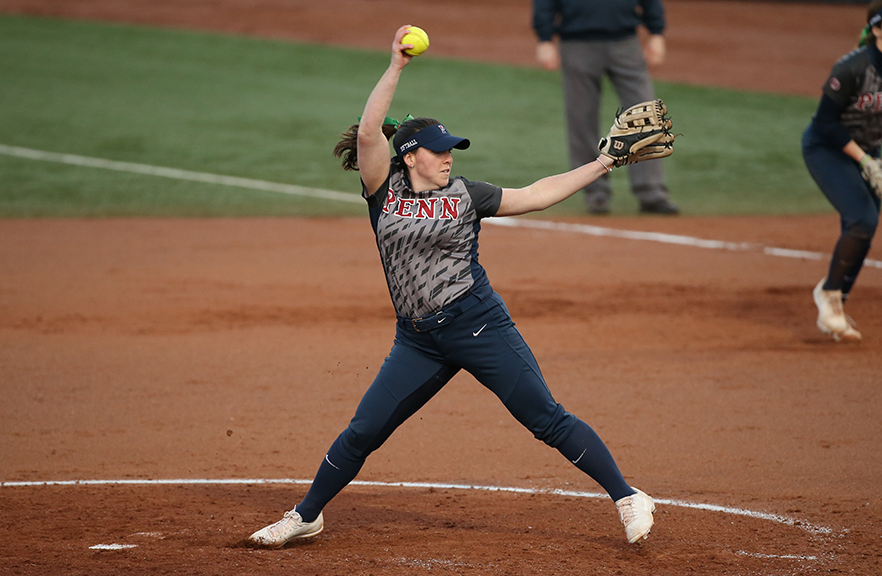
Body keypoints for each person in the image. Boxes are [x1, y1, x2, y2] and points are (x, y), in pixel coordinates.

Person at [247, 25, 656, 549]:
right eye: (439, 151)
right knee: (364, 430)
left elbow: (534, 195)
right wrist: (396, 64)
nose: (449, 157)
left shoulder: (467, 194)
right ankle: (306, 515)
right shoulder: (382, 191)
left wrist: (604, 161)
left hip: (478, 324)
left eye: (451, 150)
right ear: (411, 156)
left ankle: (627, 496)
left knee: (543, 418)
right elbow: (370, 133)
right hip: (417, 340)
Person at [802, 0, 882, 343]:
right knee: (862, 220)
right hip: (827, 149)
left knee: (864, 232)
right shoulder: (851, 68)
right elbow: (825, 125)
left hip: (866, 150)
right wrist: (866, 162)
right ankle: (828, 295)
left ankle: (835, 309)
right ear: (877, 28)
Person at [533, 0, 678, 215]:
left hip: (626, 41)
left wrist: (657, 32)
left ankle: (652, 192)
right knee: (582, 119)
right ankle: (595, 192)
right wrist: (544, 39)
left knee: (645, 114)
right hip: (577, 43)